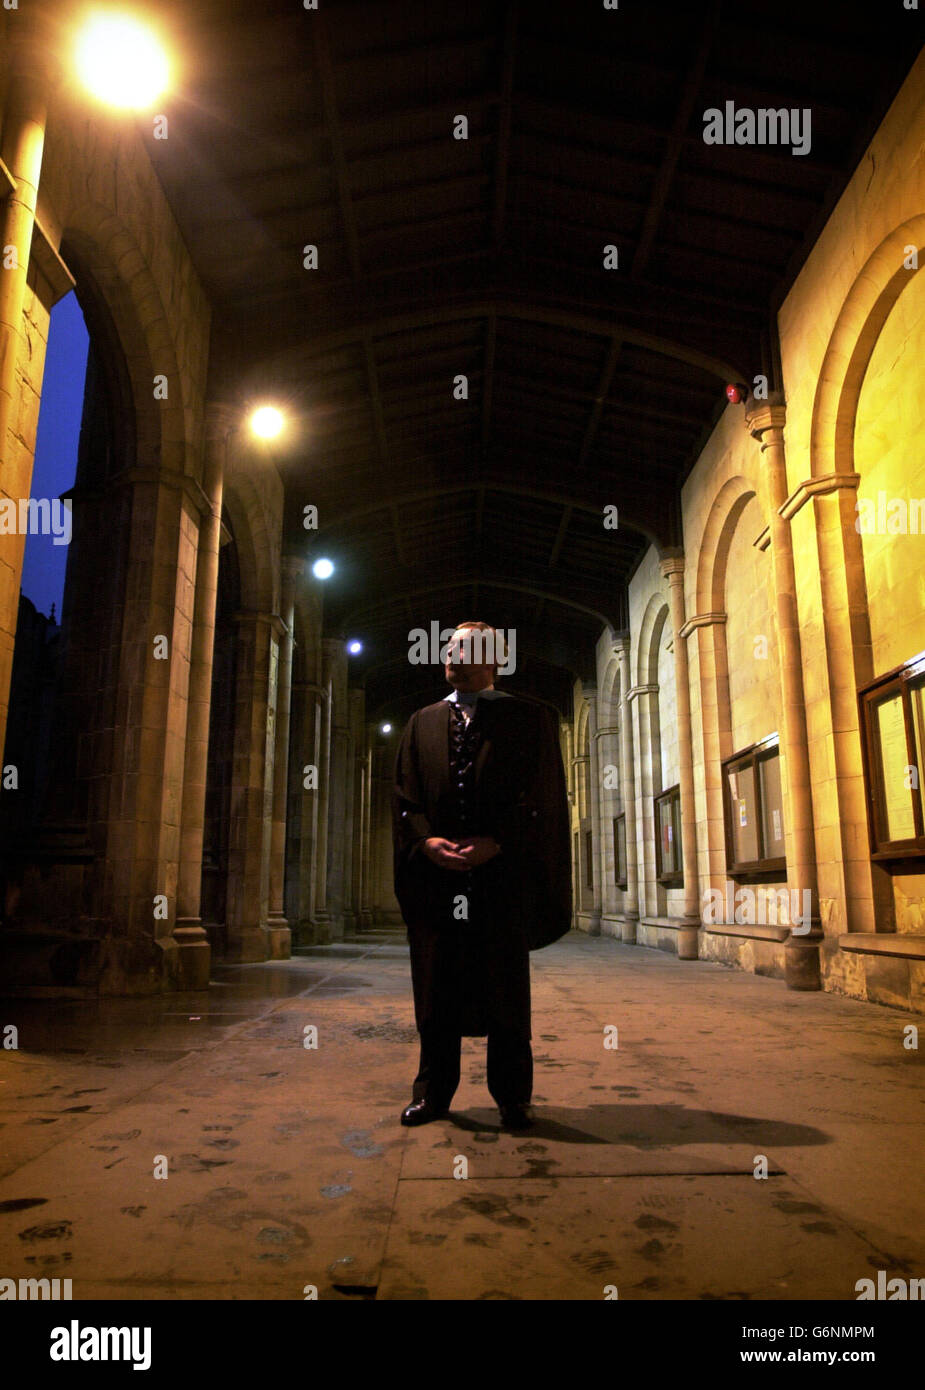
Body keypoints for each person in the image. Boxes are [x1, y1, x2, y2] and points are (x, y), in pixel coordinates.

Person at [391, 620, 572, 1129]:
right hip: (437, 881)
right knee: (435, 987)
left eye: (467, 649)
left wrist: (500, 842)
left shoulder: (530, 719)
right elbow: (404, 797)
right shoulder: (420, 722)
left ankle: (513, 1097)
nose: (454, 657)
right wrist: (425, 840)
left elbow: (542, 797)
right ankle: (433, 1094)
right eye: (449, 648)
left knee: (505, 990)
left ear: (495, 660)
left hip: (499, 881)